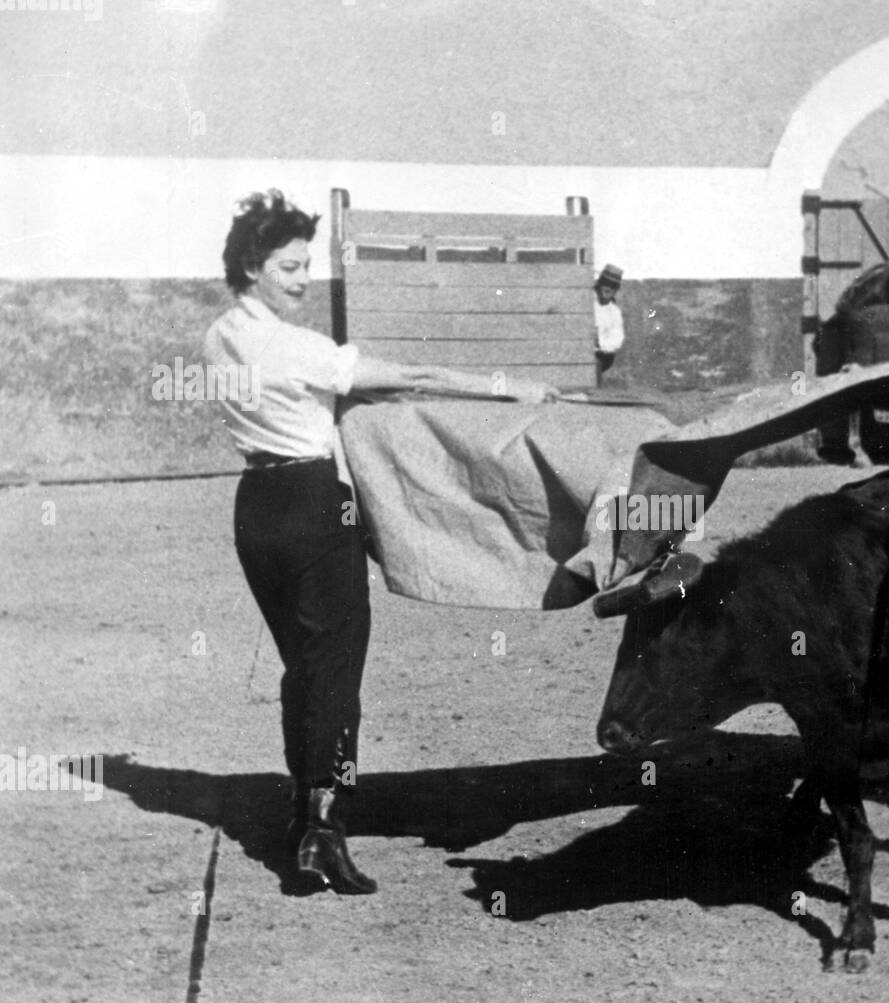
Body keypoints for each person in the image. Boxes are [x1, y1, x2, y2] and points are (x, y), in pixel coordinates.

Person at [205, 190, 555, 894]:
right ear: (252, 266)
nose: (303, 280)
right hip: (313, 504)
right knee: (335, 669)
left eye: (306, 265)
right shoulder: (296, 346)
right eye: (289, 267)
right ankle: (322, 832)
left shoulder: (216, 337)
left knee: (300, 667)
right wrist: (506, 386)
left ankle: (302, 814)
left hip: (255, 509)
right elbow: (414, 377)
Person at [593, 264, 625, 383]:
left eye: (613, 286)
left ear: (616, 290)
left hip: (600, 355)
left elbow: (617, 339)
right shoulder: (589, 302)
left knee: (595, 364)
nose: (608, 288)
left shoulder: (614, 312)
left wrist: (599, 341)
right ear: (599, 284)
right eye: (605, 283)